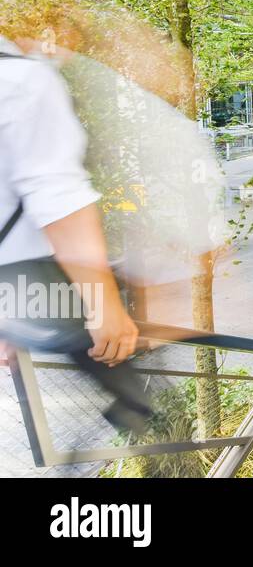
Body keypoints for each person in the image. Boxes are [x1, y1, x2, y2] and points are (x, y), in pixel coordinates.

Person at [0, 34, 149, 433]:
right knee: (148, 406)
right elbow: (58, 198)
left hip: (18, 293)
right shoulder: (22, 80)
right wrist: (103, 305)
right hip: (41, 287)